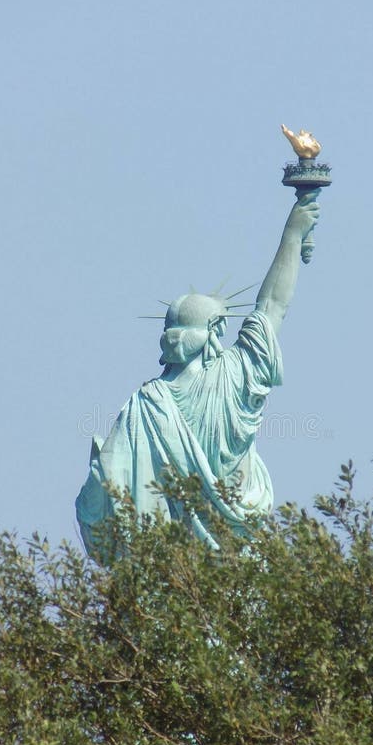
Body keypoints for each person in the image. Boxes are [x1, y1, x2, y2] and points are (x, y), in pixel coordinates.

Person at [76, 191, 320, 551]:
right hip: (237, 548)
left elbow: (106, 483)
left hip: (172, 568)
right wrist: (293, 234)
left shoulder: (146, 404)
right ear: (215, 331)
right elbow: (272, 305)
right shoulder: (237, 376)